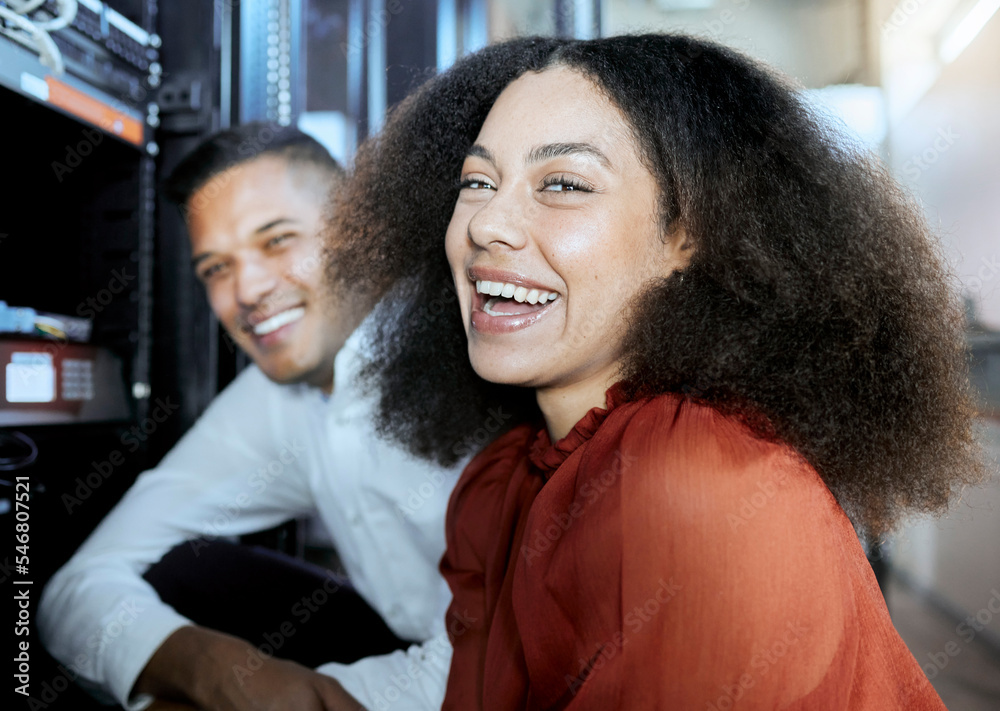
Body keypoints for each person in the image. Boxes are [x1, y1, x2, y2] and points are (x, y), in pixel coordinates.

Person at [328, 35, 986, 709]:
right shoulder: (500, 481)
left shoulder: (698, 483)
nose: (488, 223)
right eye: (477, 182)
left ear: (687, 236)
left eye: (562, 184)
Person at [38, 124, 460, 711]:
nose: (248, 290)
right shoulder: (279, 391)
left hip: (530, 677)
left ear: (361, 230)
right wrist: (208, 669)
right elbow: (73, 591)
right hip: (410, 650)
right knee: (176, 571)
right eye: (216, 268)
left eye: (277, 240)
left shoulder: (466, 360)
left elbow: (509, 663)